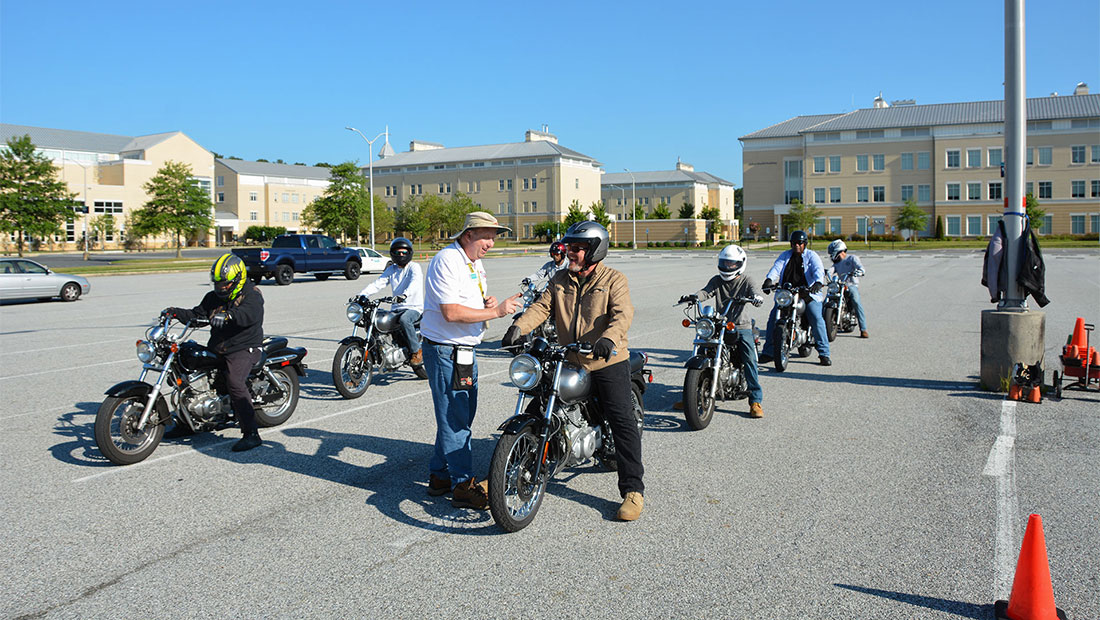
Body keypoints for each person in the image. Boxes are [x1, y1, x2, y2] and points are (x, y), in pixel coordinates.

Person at [502, 221, 645, 522]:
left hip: (607, 359)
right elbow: (541, 308)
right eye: (570, 247)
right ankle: (505, 466)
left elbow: (623, 315)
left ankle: (633, 489)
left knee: (622, 421)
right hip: (571, 357)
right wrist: (518, 327)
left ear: (594, 251)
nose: (571, 253)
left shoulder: (613, 279)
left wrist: (608, 339)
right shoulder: (559, 278)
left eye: (579, 248)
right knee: (537, 406)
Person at [420, 211, 522, 509]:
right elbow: (451, 312)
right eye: (487, 236)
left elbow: (467, 303)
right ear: (468, 235)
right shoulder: (447, 261)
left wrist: (486, 303)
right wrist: (497, 312)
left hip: (464, 351)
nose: (492, 242)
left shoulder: (474, 263)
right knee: (456, 418)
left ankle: (439, 475)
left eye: (495, 236)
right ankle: (462, 485)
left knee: (459, 416)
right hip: (445, 351)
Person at [163, 253, 265, 452]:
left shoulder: (252, 294)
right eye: (217, 284)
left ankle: (251, 433)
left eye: (225, 284)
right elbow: (196, 314)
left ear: (237, 280)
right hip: (219, 346)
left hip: (244, 347)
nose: (221, 288)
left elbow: (248, 315)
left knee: (235, 382)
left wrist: (229, 316)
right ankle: (187, 422)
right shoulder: (213, 298)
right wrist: (174, 312)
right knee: (185, 372)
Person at [677, 245, 766, 417]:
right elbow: (706, 292)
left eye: (732, 264)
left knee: (749, 360)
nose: (728, 267)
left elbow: (755, 291)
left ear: (740, 264)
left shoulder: (746, 280)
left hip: (741, 326)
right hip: (720, 324)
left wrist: (756, 297)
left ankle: (755, 400)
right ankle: (691, 395)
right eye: (725, 263)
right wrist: (694, 296)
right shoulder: (717, 281)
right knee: (702, 351)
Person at [758, 230, 831, 366]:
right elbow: (776, 268)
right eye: (794, 243)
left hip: (808, 294)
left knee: (816, 317)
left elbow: (818, 270)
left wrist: (818, 283)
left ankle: (824, 353)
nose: (797, 246)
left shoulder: (812, 256)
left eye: (800, 243)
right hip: (788, 294)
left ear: (805, 244)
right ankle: (768, 352)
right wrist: (769, 280)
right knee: (773, 318)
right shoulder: (785, 255)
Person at [355, 237, 425, 366]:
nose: (401, 255)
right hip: (396, 308)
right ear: (393, 254)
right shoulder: (391, 269)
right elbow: (378, 283)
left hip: (414, 308)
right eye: (398, 253)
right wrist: (362, 295)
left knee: (405, 320)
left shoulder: (414, 267)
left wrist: (405, 294)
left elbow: (415, 283)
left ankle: (416, 351)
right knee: (373, 319)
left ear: (409, 253)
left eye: (404, 252)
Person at [826, 239, 869, 338]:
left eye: (832, 252)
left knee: (856, 300)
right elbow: (831, 270)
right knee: (827, 298)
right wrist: (827, 273)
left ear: (838, 250)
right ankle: (825, 324)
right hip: (840, 285)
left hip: (851, 285)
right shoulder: (837, 264)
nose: (831, 255)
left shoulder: (852, 258)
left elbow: (860, 267)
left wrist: (860, 271)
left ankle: (863, 329)